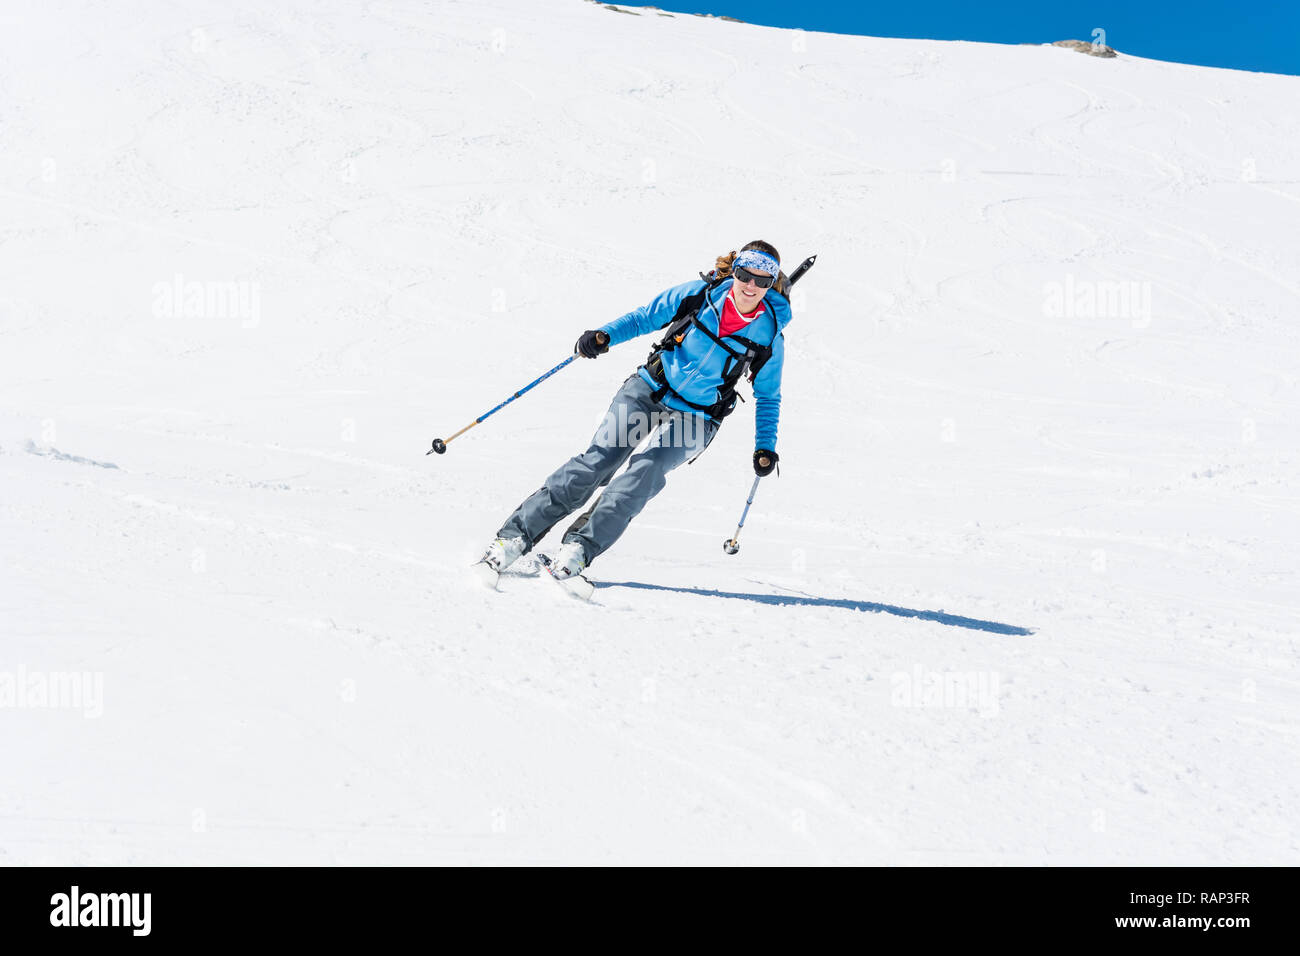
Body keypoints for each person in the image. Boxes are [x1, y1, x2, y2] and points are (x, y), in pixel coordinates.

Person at [479, 240, 792, 581]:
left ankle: (579, 549)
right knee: (598, 461)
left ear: (772, 283)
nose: (751, 286)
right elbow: (646, 317)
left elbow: (768, 396)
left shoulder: (769, 334)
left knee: (645, 472)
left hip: (699, 416)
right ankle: (513, 538)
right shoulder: (700, 295)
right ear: (736, 270)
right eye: (746, 274)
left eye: (763, 280)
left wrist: (765, 445)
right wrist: (604, 336)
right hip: (649, 389)